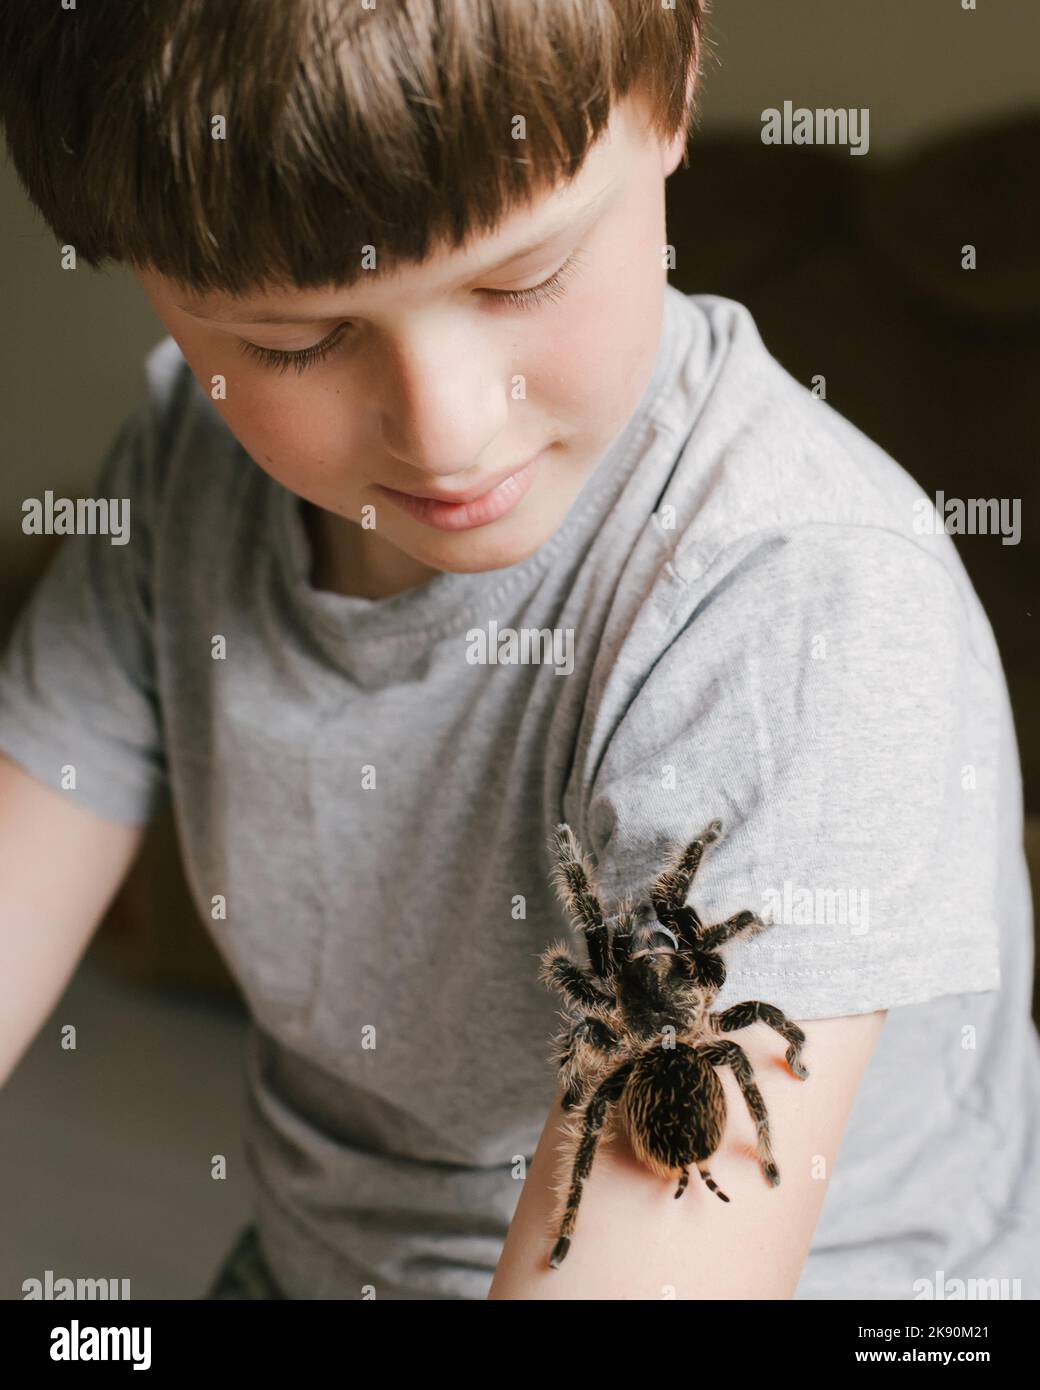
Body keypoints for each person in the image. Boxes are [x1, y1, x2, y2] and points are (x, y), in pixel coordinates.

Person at [1, 0, 1037, 1301]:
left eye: (520, 278)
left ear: (671, 100)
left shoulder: (801, 599)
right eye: (293, 340)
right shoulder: (186, 477)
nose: (444, 434)